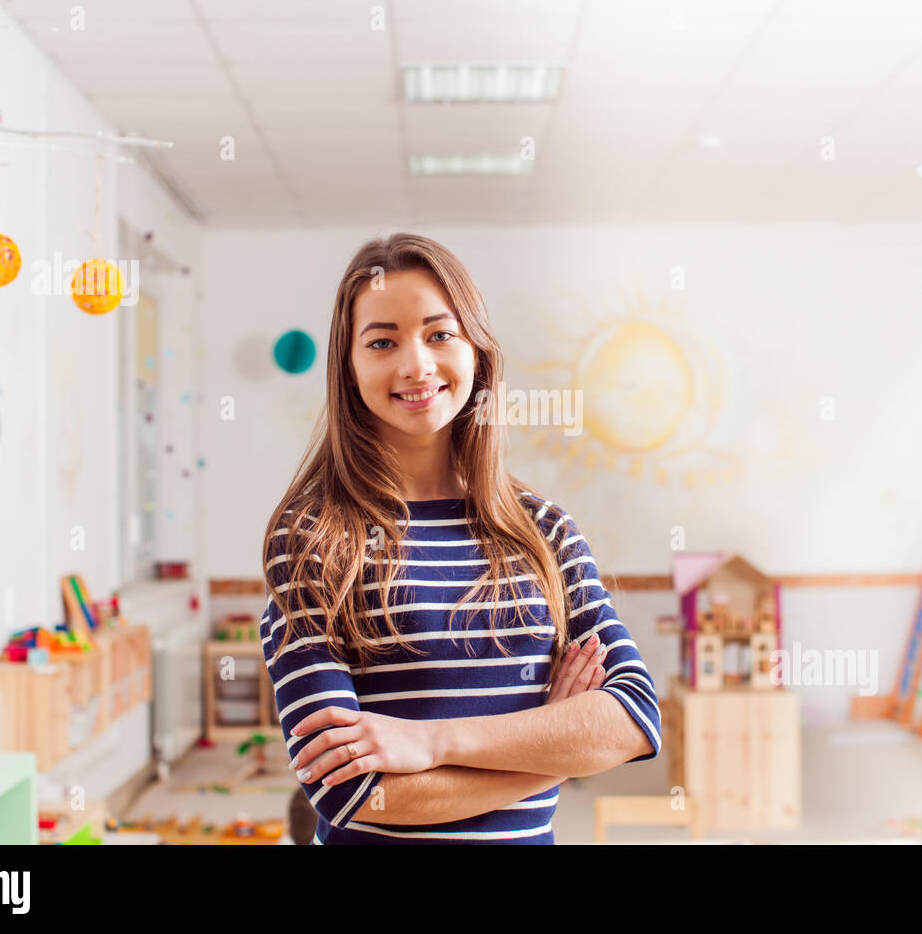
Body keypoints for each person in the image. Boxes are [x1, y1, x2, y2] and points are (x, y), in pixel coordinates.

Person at [260, 233, 661, 844]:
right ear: (349, 366)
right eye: (382, 341)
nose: (415, 364)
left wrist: (431, 742)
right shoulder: (313, 541)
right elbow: (351, 793)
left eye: (439, 333)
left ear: (477, 351)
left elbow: (633, 720)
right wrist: (554, 743)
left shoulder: (544, 531)